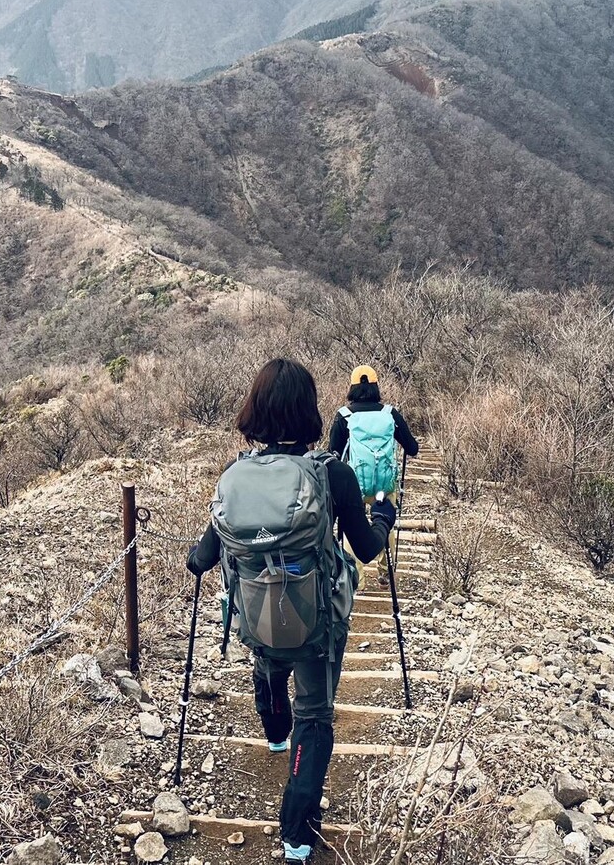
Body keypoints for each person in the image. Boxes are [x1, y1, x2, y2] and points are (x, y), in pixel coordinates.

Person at [187, 358, 395, 863]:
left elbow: (199, 560)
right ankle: (297, 836)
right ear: (309, 413)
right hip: (317, 624)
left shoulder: (233, 477)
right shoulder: (332, 475)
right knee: (317, 715)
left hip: (257, 623)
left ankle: (273, 732)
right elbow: (366, 549)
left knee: (268, 655)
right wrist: (384, 516)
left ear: (253, 411)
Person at [327, 364, 419, 585]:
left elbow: (333, 454)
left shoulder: (344, 416)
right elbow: (412, 448)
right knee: (385, 520)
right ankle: (386, 572)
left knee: (351, 526)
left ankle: (354, 575)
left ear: (352, 387)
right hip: (384, 485)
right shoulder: (390, 413)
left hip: (354, 485)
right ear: (376, 386)